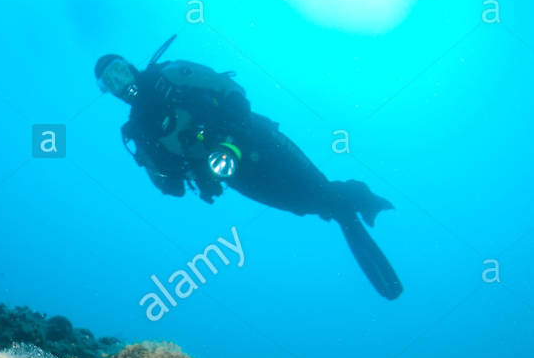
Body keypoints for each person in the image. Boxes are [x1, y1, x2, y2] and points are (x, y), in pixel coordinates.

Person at [96, 37, 403, 299]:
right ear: (108, 90)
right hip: (234, 174)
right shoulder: (137, 130)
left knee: (320, 191)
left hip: (259, 140)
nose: (120, 81)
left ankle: (356, 196)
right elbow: (167, 185)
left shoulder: (172, 74)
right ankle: (345, 209)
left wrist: (228, 132)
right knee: (305, 205)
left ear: (130, 65)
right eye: (111, 81)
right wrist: (192, 176)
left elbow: (232, 90)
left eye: (120, 71)